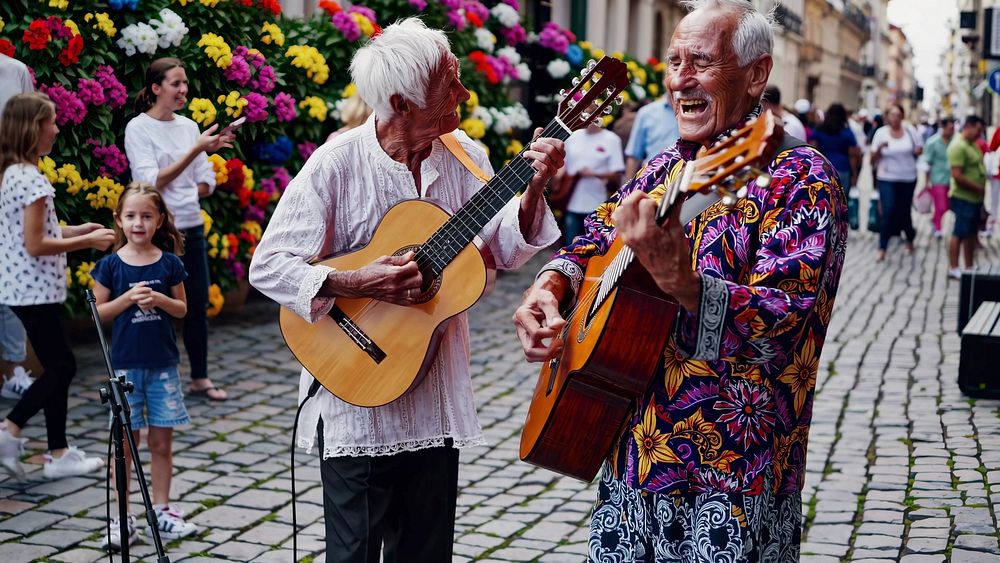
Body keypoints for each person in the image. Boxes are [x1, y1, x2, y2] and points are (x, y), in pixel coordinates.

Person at [512, 1, 848, 559]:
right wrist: (546, 288)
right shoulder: (663, 168)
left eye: (701, 62)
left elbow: (788, 326)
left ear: (757, 75)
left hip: (734, 475)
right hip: (635, 459)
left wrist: (682, 282)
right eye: (674, 62)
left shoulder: (801, 178)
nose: (680, 80)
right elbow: (590, 242)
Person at [248, 18, 563, 562]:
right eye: (450, 84)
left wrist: (534, 188)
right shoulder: (337, 163)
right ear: (402, 101)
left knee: (426, 554)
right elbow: (268, 266)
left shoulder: (463, 154)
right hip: (354, 395)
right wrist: (358, 279)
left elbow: (509, 246)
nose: (465, 94)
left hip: (432, 398)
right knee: (352, 557)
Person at [0, 92, 117, 479]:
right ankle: (11, 429)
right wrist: (88, 242)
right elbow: (37, 245)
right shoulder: (30, 179)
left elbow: (36, 233)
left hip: (23, 288)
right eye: (51, 122)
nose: (57, 128)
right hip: (33, 290)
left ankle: (58, 452)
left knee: (55, 364)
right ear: (33, 128)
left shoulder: (13, 174)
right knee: (63, 366)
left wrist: (78, 229)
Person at [92, 182, 195, 549]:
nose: (139, 223)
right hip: (124, 371)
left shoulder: (170, 263)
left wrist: (161, 300)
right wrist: (127, 299)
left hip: (163, 366)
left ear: (159, 220)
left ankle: (163, 509)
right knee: (124, 445)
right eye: (132, 216)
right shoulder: (109, 266)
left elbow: (182, 309)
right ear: (119, 220)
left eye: (147, 216)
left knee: (161, 442)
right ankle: (122, 519)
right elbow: (98, 313)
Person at [124, 57, 234, 402]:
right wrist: (194, 152)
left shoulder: (188, 127)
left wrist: (197, 158)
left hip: (190, 226)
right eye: (175, 83)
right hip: (154, 231)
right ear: (156, 88)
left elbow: (206, 181)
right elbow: (148, 183)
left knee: (196, 304)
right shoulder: (138, 128)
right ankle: (156, 380)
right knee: (152, 305)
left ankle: (200, 378)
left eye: (185, 83)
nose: (183, 89)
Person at [0, 54, 36, 402]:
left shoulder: (14, 71)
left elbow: (32, 125)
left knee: (10, 281)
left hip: (9, 188)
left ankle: (14, 372)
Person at [871, 103, 922, 261]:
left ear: (902, 116)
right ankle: (882, 248)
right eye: (893, 115)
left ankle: (909, 239)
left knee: (904, 211)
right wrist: (879, 148)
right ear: (887, 116)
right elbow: (872, 159)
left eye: (898, 115)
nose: (896, 118)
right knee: (888, 211)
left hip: (908, 177)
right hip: (886, 177)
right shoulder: (881, 133)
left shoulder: (910, 131)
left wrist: (917, 151)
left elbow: (920, 149)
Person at [559, 120, 624, 244]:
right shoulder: (572, 137)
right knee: (570, 245)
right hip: (571, 201)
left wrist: (593, 174)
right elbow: (562, 165)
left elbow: (617, 172)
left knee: (594, 247)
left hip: (598, 204)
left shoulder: (611, 139)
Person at [947, 115, 986, 279]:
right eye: (977, 130)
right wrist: (977, 186)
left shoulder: (973, 145)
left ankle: (969, 266)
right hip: (963, 197)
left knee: (970, 233)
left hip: (974, 198)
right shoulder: (958, 146)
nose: (979, 134)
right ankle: (954, 267)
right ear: (968, 126)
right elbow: (957, 175)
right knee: (960, 232)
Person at [623, 76, 680, 180]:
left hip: (686, 181)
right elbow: (634, 156)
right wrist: (626, 193)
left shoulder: (697, 111)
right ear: (664, 81)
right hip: (652, 182)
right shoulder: (646, 113)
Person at [811, 103, 861, 190]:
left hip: (822, 168)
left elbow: (812, 149)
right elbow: (853, 155)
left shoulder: (818, 129)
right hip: (842, 168)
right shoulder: (847, 132)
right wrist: (854, 174)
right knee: (841, 200)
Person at [922, 117, 956, 238]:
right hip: (938, 178)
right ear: (943, 127)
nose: (952, 130)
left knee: (948, 205)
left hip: (952, 179)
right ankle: (938, 226)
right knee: (940, 205)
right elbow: (927, 163)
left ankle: (934, 220)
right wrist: (926, 182)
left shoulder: (955, 141)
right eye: (950, 128)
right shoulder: (933, 142)